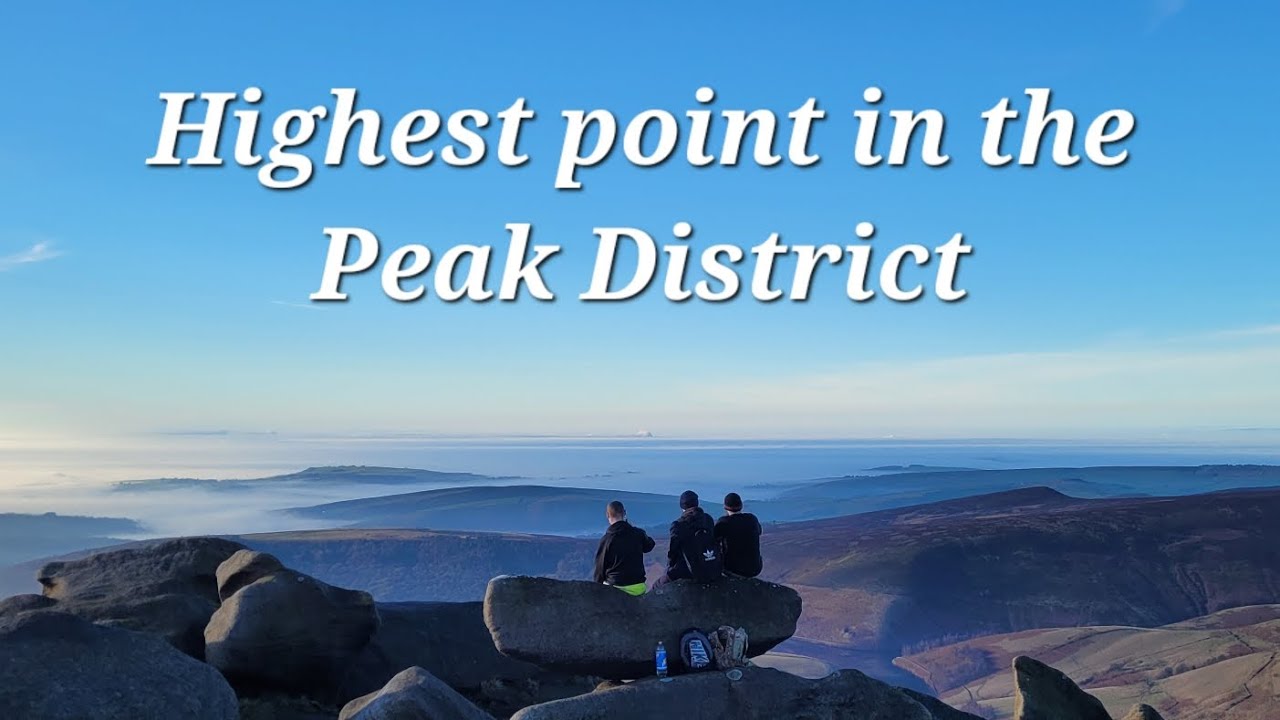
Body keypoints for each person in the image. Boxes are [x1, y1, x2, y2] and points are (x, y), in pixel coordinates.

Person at [655, 490, 723, 586]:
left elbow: (673, 553)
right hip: (712, 566)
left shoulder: (678, 525)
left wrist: (670, 569)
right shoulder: (708, 519)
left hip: (690, 570)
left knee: (658, 585)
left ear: (682, 506)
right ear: (697, 503)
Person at [593, 500, 655, 596]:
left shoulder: (607, 540)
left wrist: (595, 591)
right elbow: (649, 545)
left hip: (615, 589)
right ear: (624, 513)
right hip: (637, 588)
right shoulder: (638, 534)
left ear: (607, 515)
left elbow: (600, 568)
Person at [715, 492, 763, 578]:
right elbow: (759, 531)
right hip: (755, 568)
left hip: (732, 569)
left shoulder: (723, 523)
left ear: (725, 507)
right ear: (741, 505)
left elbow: (714, 540)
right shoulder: (752, 519)